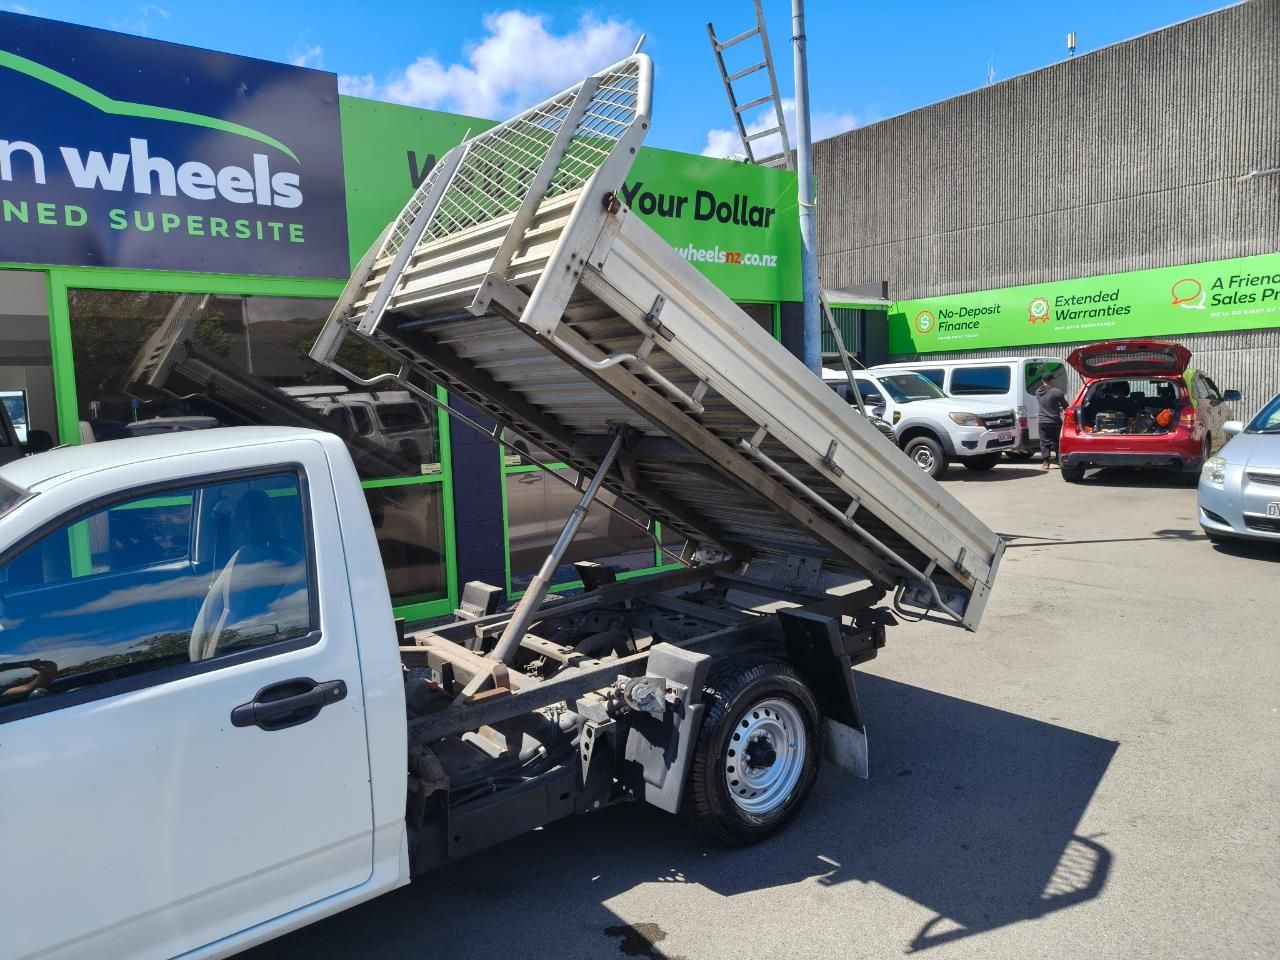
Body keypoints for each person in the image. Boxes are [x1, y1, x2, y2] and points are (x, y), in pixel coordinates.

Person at [1036, 372, 1069, 470]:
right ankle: (1058, 460)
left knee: (1044, 442)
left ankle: (1046, 463)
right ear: (1051, 380)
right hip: (1054, 421)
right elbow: (1066, 406)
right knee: (1057, 441)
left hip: (1042, 421)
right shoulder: (1057, 392)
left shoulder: (1038, 392)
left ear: (1043, 380)